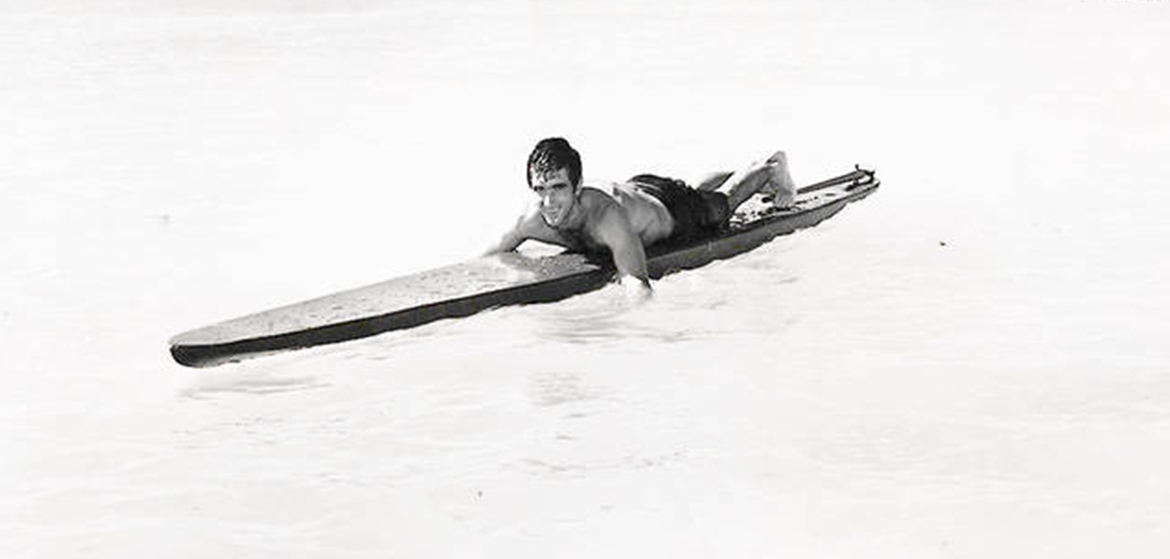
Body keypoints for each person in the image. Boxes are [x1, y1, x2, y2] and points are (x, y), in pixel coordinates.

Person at [486, 137, 796, 291]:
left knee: (719, 207)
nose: (549, 201)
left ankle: (769, 167)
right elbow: (482, 259)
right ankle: (741, 170)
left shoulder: (608, 220)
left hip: (674, 215)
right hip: (641, 190)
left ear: (578, 185)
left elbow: (637, 284)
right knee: (691, 191)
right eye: (540, 189)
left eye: (558, 188)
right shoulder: (529, 218)